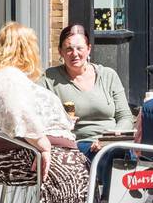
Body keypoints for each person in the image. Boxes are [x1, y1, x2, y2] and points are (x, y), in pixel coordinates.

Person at [0, 22, 91, 203]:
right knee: (72, 172)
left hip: (9, 151)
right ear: (25, 49)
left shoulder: (5, 75)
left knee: (80, 166)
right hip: (4, 157)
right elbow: (17, 114)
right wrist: (43, 147)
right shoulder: (9, 77)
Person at [41, 25, 134, 155]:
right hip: (76, 144)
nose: (75, 54)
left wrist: (111, 139)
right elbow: (36, 114)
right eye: (68, 49)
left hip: (111, 142)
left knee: (127, 157)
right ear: (60, 52)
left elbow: (125, 117)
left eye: (80, 48)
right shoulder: (49, 78)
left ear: (89, 49)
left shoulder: (108, 75)